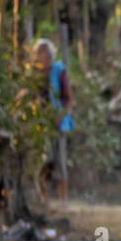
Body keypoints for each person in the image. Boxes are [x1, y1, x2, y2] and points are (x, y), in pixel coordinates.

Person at [33, 38, 75, 204]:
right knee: (42, 163)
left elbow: (69, 99)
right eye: (39, 53)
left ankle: (63, 200)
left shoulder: (59, 71)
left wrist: (60, 116)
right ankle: (44, 200)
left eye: (45, 53)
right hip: (39, 124)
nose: (42, 56)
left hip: (58, 123)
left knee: (59, 161)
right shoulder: (35, 74)